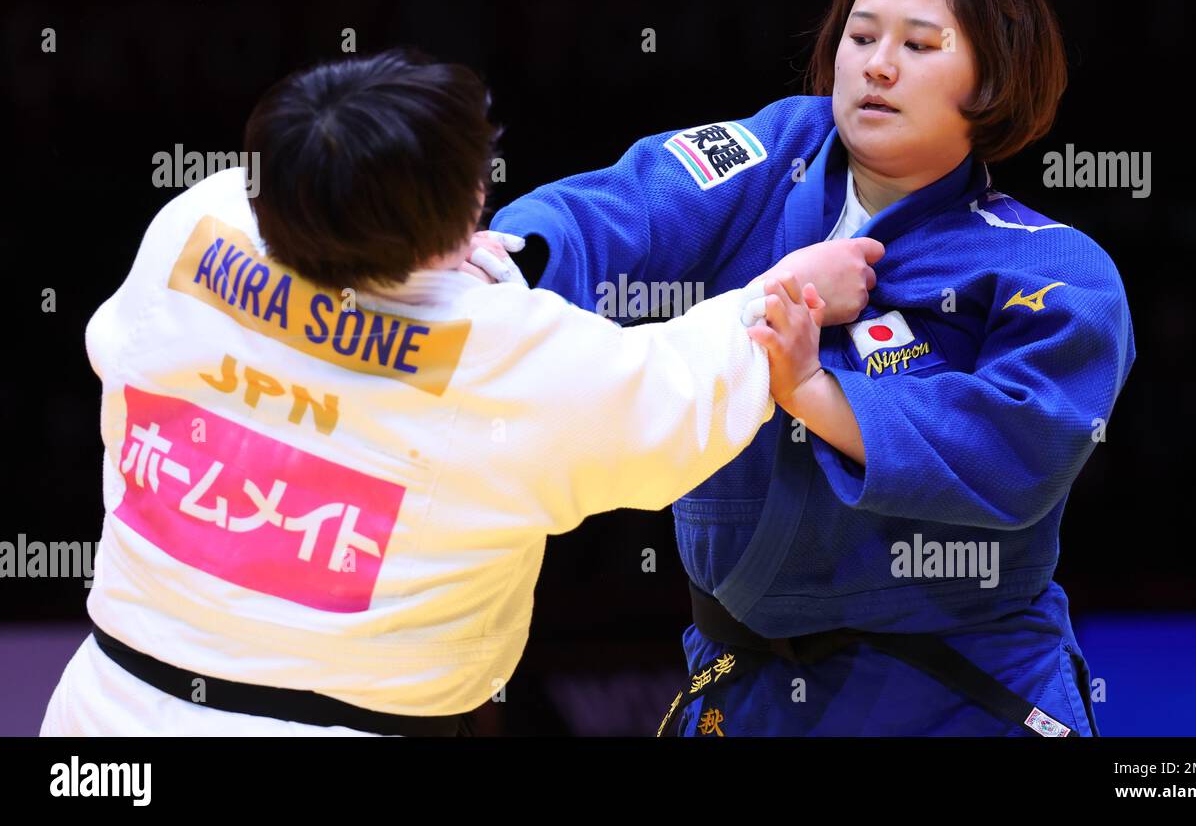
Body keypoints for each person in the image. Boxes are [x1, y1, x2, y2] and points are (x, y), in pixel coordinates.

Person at [39, 48, 874, 736]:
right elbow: (672, 399)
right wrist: (789, 291)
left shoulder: (196, 223)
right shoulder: (500, 354)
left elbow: (116, 347)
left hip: (103, 719)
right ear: (458, 211)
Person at [485, 0, 1136, 736]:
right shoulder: (774, 154)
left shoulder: (1052, 268)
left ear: (993, 78)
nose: (879, 64)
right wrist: (503, 265)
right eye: (861, 36)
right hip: (750, 683)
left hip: (961, 693)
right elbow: (630, 207)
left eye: (921, 45)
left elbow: (1021, 444)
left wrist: (816, 391)